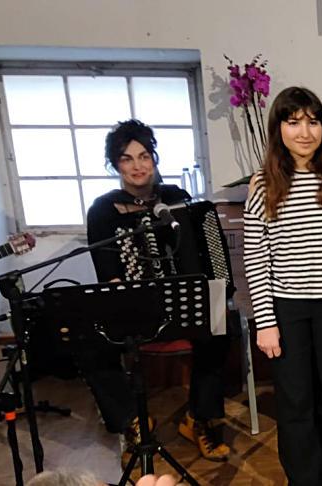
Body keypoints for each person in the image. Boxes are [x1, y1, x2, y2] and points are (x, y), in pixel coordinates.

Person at [244, 86, 322, 486]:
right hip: (286, 309)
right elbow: (256, 259)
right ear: (278, 128)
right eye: (294, 121)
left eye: (313, 121)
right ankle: (303, 478)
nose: (305, 131)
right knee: (295, 398)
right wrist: (265, 323)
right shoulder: (264, 185)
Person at [84, 119, 229, 463]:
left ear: (154, 159)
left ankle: (199, 419)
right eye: (127, 158)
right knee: (90, 346)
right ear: (114, 165)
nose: (138, 165)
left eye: (144, 156)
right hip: (133, 308)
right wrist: (129, 295)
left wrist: (218, 283)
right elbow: (108, 274)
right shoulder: (103, 210)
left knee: (222, 327)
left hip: (182, 305)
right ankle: (131, 421)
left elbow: (206, 251)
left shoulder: (178, 200)